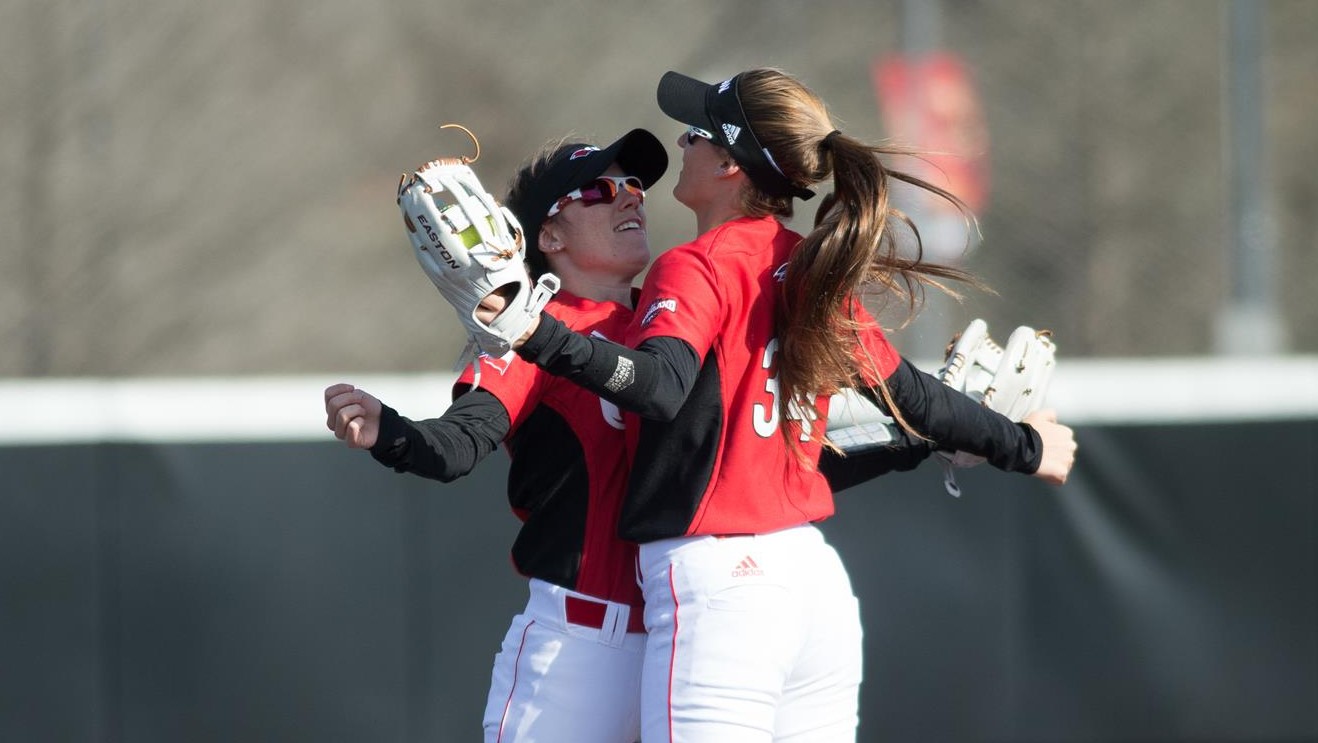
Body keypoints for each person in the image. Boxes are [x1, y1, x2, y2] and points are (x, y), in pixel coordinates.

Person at [485, 68, 1078, 742]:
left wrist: (536, 335)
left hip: (722, 587)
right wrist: (1021, 444)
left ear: (730, 165)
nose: (684, 144)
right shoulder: (806, 264)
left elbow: (660, 385)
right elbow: (910, 397)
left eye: (698, 132)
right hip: (811, 583)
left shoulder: (697, 265)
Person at [324, 129, 668, 743]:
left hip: (685, 640)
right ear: (548, 237)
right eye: (598, 190)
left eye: (634, 184)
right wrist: (390, 433)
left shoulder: (671, 323)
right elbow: (458, 445)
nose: (629, 198)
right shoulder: (534, 331)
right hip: (582, 649)